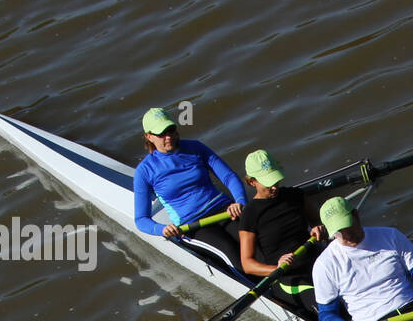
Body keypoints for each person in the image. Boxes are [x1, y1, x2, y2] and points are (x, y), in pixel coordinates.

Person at [312, 196, 413, 321]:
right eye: (339, 231)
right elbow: (326, 316)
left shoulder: (390, 236)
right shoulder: (325, 264)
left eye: (347, 225)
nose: (346, 235)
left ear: (356, 215)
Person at [132, 107, 246, 276]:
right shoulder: (144, 171)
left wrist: (240, 201)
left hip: (225, 209)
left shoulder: (195, 148)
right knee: (231, 254)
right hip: (192, 224)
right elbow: (141, 219)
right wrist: (162, 229)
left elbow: (229, 176)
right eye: (161, 134)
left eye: (170, 130)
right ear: (149, 137)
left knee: (253, 242)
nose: (168, 136)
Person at [238, 150, 325, 310]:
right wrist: (276, 268)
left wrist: (318, 227)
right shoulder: (250, 214)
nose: (274, 186)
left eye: (275, 180)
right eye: (267, 182)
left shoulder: (295, 195)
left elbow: (317, 221)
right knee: (325, 307)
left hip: (319, 262)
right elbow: (247, 264)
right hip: (287, 277)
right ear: (252, 182)